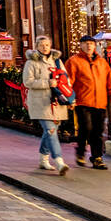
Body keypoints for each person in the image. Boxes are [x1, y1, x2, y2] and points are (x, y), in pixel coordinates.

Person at [67, 35, 111, 169]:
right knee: (86, 128)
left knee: (98, 130)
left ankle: (97, 157)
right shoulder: (73, 61)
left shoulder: (102, 63)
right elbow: (68, 82)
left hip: (100, 102)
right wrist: (69, 99)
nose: (89, 46)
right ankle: (80, 151)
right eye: (86, 43)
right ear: (81, 45)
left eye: (91, 43)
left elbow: (110, 82)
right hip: (82, 101)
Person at [23, 44, 71, 176]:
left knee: (51, 130)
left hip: (57, 101)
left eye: (47, 45)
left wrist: (70, 97)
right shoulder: (31, 62)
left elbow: (66, 79)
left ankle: (43, 159)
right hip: (40, 102)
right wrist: (47, 83)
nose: (45, 47)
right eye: (41, 45)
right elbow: (27, 82)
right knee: (50, 130)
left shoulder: (57, 61)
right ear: (37, 46)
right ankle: (59, 161)